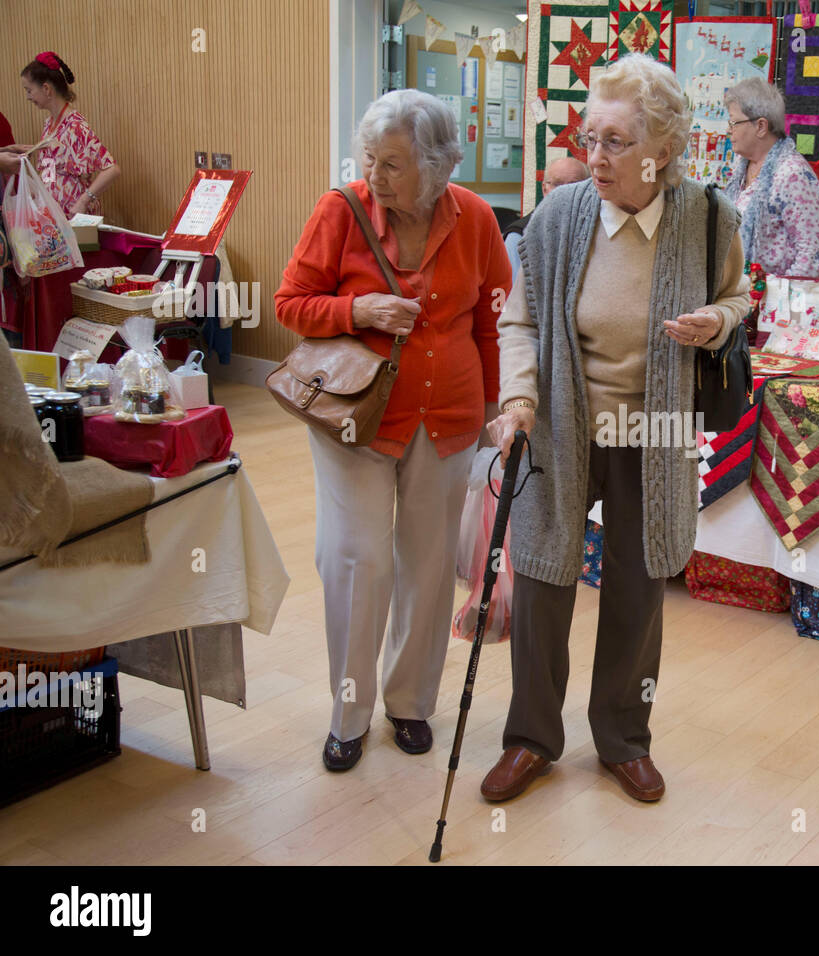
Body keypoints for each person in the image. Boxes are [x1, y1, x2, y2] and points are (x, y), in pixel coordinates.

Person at [483, 53, 751, 804]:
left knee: (638, 587)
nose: (593, 157)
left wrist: (715, 320)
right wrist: (518, 399)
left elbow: (739, 297)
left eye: (614, 142)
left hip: (655, 432)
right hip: (565, 423)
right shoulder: (560, 215)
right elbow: (520, 318)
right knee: (541, 576)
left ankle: (623, 738)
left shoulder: (706, 219)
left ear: (661, 152)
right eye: (589, 137)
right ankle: (532, 737)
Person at [274, 89, 511, 772]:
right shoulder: (340, 210)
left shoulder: (475, 220)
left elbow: (494, 322)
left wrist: (499, 409)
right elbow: (292, 303)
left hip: (449, 417)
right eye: (370, 159)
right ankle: (349, 712)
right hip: (355, 414)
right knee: (358, 561)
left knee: (430, 565)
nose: (376, 176)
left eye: (393, 164)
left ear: (437, 167)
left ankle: (410, 703)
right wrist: (360, 311)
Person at [722, 76, 819, 277]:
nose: (728, 129)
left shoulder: (793, 175)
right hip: (739, 294)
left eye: (734, 122)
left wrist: (775, 296)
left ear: (761, 126)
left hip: (772, 301)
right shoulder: (741, 168)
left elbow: (815, 254)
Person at [2, 53, 119, 216]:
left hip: (75, 215)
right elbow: (50, 167)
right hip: (55, 215)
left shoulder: (74, 126)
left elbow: (112, 170)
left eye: (29, 90)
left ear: (46, 89)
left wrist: (83, 201)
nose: (28, 97)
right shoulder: (49, 124)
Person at [502, 156, 588, 275]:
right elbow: (512, 290)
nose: (565, 191)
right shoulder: (518, 236)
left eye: (574, 185)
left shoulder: (599, 231)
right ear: (544, 189)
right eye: (557, 184)